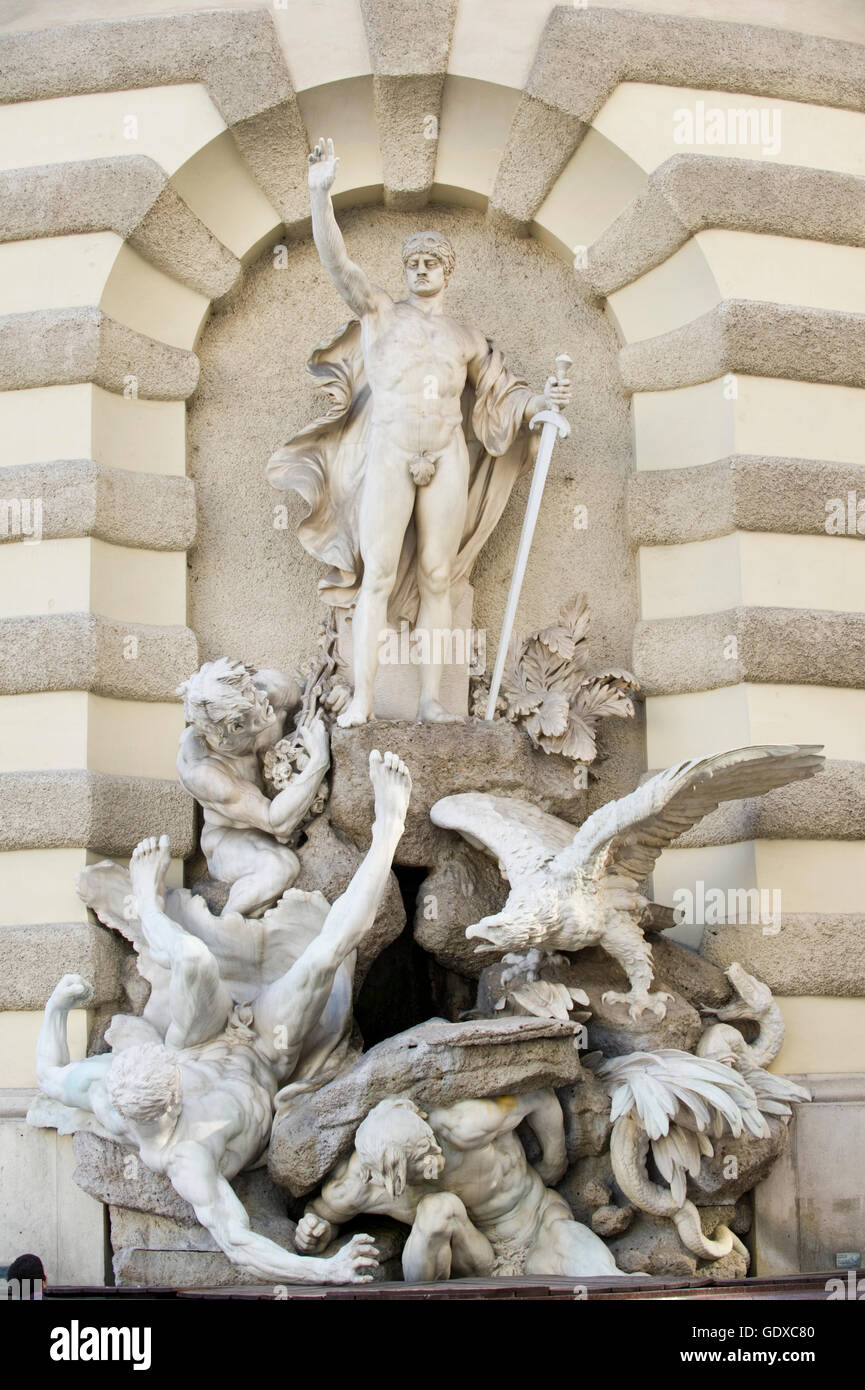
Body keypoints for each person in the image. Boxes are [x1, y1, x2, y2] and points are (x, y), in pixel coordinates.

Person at [34, 751, 413, 1286]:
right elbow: (240, 1245)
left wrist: (55, 1010)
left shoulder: (110, 1090)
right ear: (167, 1103)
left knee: (191, 960)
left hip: (202, 1040)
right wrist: (322, 1270)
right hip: (266, 1053)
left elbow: (49, 1076)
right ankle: (388, 832)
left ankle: (146, 902)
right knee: (324, 956)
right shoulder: (187, 1159)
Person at [267, 137, 571, 727]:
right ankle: (363, 700)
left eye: (432, 261)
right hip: (390, 449)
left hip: (447, 453)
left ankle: (433, 701)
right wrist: (319, 192)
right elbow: (338, 264)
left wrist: (541, 404)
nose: (421, 267)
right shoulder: (380, 312)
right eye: (413, 262)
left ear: (447, 271)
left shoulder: (465, 336)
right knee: (376, 576)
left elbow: (500, 391)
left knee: (438, 575)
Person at [295, 1091, 623, 1280]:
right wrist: (314, 1231)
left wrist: (555, 1162)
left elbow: (539, 1097)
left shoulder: (465, 1125)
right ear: (389, 1177)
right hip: (477, 1261)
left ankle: (627, 1289)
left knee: (568, 1240)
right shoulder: (360, 1184)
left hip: (535, 1227)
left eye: (430, 1150)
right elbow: (321, 1214)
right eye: (420, 1167)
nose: (433, 1163)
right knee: (437, 1208)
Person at [176, 659, 329, 916]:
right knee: (280, 867)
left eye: (254, 689)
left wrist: (337, 696)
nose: (263, 696)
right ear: (235, 727)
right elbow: (276, 822)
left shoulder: (271, 689)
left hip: (294, 810)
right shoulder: (205, 771)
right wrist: (319, 761)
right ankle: (226, 932)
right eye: (255, 701)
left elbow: (315, 694)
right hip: (232, 838)